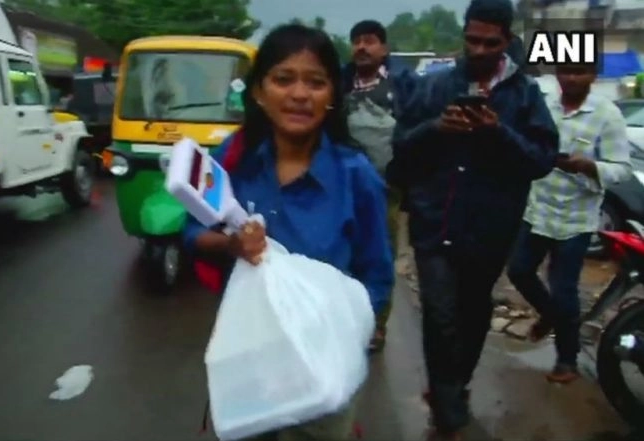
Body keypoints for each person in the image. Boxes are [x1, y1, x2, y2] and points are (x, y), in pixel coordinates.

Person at [183, 23, 394, 441]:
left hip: (322, 368)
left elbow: (377, 277)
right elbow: (191, 233)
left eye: (316, 82)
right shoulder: (234, 157)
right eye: (283, 79)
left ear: (333, 94)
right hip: (249, 357)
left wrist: (340, 343)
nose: (299, 94)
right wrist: (231, 244)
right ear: (259, 91)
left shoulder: (356, 176)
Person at [389, 0, 559, 438]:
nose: (479, 49)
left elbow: (541, 159)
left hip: (490, 229)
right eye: (471, 39)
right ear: (463, 34)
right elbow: (402, 147)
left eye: (490, 42)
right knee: (440, 311)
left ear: (507, 40)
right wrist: (435, 129)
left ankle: (455, 383)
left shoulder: (525, 95)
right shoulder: (434, 87)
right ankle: (448, 407)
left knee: (473, 311)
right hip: (434, 223)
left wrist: (497, 131)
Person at [507, 63, 631, 384]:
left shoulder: (608, 114)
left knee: (564, 290)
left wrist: (590, 166)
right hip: (538, 208)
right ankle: (549, 315)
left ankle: (567, 359)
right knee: (519, 270)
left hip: (576, 217)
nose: (572, 78)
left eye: (580, 72)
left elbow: (622, 169)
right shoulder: (544, 105)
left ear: (593, 75)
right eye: (566, 71)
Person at [341, 19, 411, 353]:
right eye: (356, 41)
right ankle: (342, 317)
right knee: (342, 252)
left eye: (369, 41)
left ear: (383, 48)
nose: (362, 47)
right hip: (344, 187)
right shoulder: (340, 83)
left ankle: (376, 326)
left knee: (380, 255)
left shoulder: (402, 84)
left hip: (386, 188)